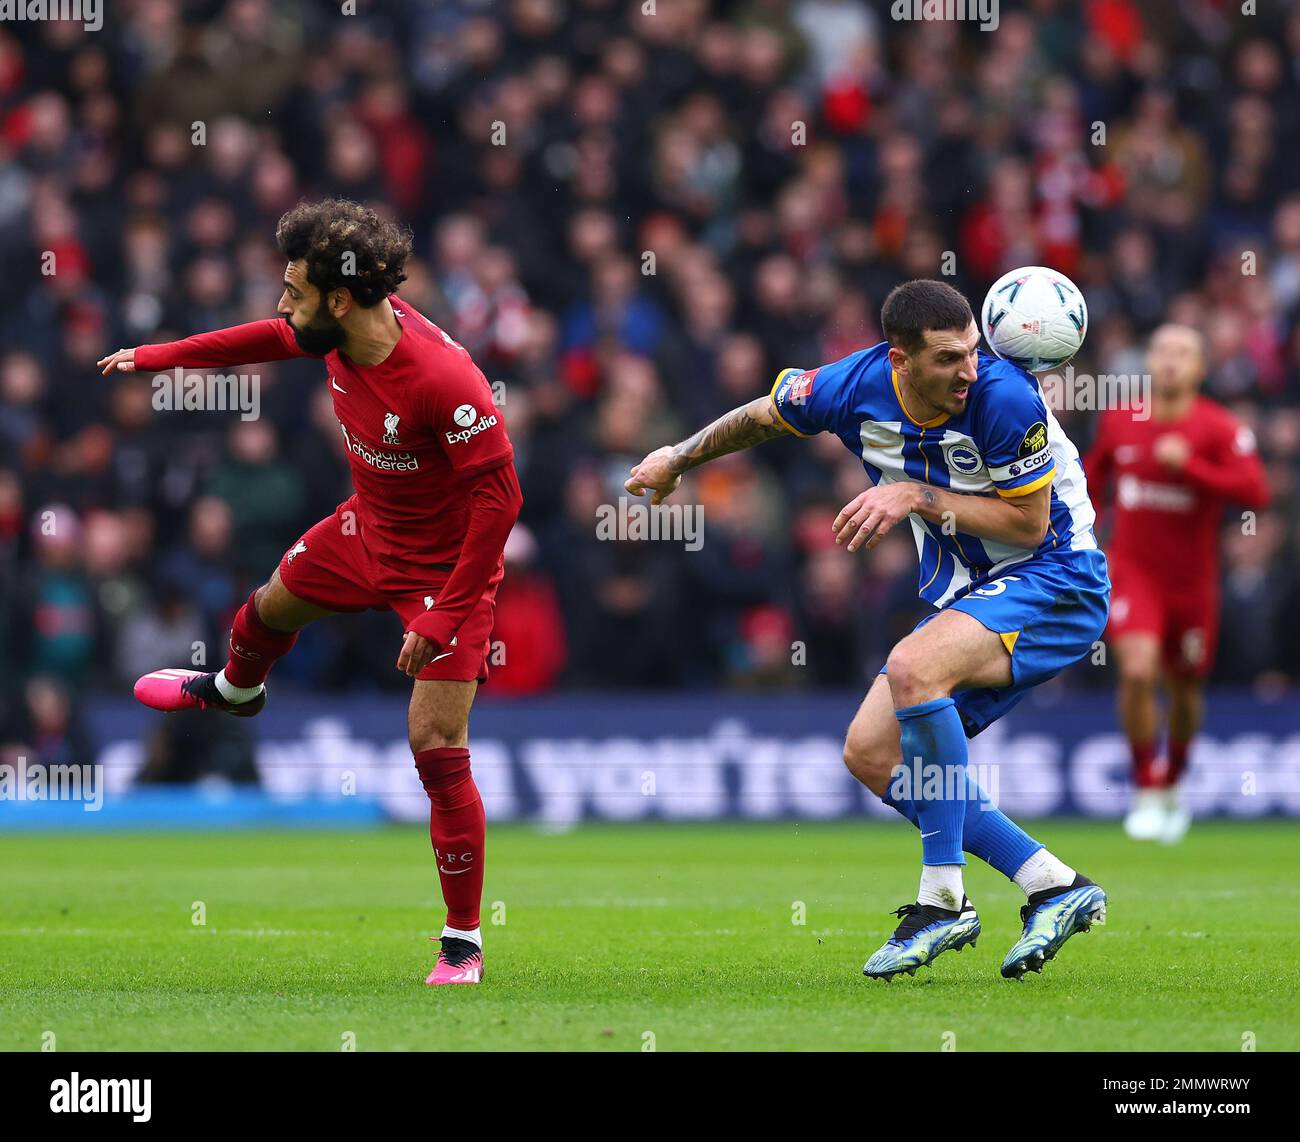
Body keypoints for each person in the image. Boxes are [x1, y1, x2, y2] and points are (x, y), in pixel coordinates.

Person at [627, 279, 1110, 981]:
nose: (968, 371)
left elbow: (1029, 525)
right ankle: (1052, 884)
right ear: (899, 359)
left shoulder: (1004, 397)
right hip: (977, 591)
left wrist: (915, 494)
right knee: (871, 754)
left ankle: (941, 902)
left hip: (1058, 578)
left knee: (915, 667)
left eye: (972, 352)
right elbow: (762, 416)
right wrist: (678, 457)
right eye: (948, 359)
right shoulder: (850, 386)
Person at [97, 199, 522, 986]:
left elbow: (502, 503)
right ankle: (234, 691)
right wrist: (160, 356)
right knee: (265, 608)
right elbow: (260, 337)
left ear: (340, 298)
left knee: (434, 743)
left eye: (293, 290)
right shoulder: (332, 330)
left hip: (445, 572)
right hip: (365, 532)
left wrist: (445, 614)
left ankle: (463, 940)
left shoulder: (443, 378)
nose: (281, 303)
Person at [1086, 324, 1269, 843]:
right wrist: (1087, 535)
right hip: (1133, 572)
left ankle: (1173, 781)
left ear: (1199, 368)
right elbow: (1092, 478)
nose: (1170, 360)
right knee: (1138, 671)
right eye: (1162, 350)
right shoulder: (1121, 419)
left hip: (1191, 583)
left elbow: (1256, 489)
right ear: (1149, 361)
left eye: (1183, 353)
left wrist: (1191, 467)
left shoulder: (1219, 427)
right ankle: (1146, 785)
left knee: (1185, 690)